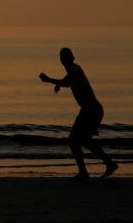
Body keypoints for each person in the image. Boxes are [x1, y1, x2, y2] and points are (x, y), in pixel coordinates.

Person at [39, 47, 118, 180]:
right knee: (83, 141)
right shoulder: (71, 71)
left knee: (74, 140)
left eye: (67, 57)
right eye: (63, 58)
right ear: (61, 61)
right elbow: (66, 81)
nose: (65, 60)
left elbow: (67, 82)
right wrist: (58, 84)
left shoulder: (75, 68)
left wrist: (49, 80)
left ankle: (86, 171)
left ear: (73, 58)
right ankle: (107, 164)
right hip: (88, 110)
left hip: (92, 109)